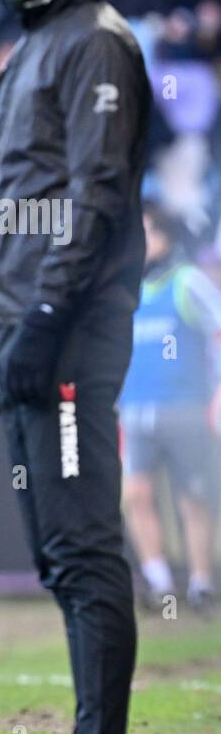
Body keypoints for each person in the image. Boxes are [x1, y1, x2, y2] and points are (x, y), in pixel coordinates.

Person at [0, 0, 151, 734]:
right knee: (52, 548)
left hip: (71, 326)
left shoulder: (98, 44)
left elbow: (97, 195)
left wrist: (38, 316)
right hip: (25, 320)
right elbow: (18, 200)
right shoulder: (33, 43)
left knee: (83, 541)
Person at [120, 202, 221, 612]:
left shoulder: (188, 282)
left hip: (185, 407)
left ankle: (201, 583)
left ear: (164, 235)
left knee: (192, 498)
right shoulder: (125, 289)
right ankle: (159, 583)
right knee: (136, 495)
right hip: (136, 411)